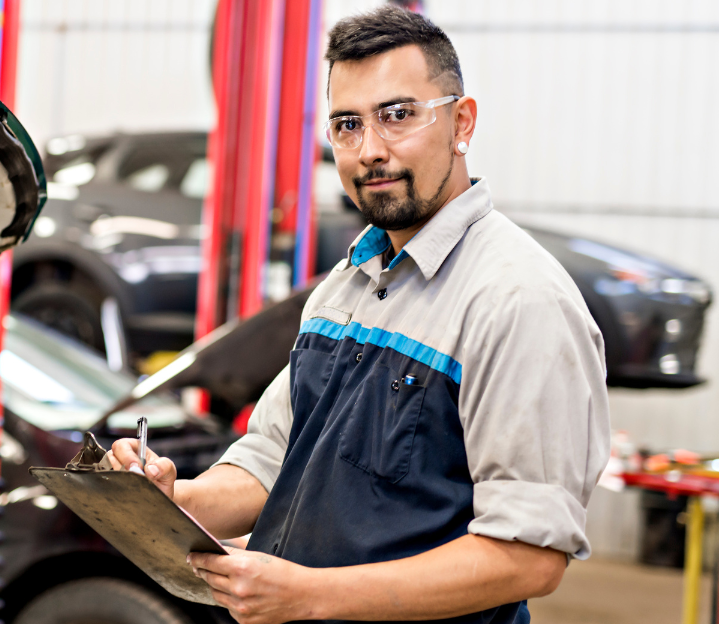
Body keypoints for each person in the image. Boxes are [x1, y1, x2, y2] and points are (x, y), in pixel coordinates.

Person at [108, 6, 609, 623]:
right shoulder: (342, 290)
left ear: (462, 122)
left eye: (397, 116)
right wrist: (172, 499)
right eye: (347, 125)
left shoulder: (517, 302)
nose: (370, 150)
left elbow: (528, 557)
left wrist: (306, 596)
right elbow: (272, 459)